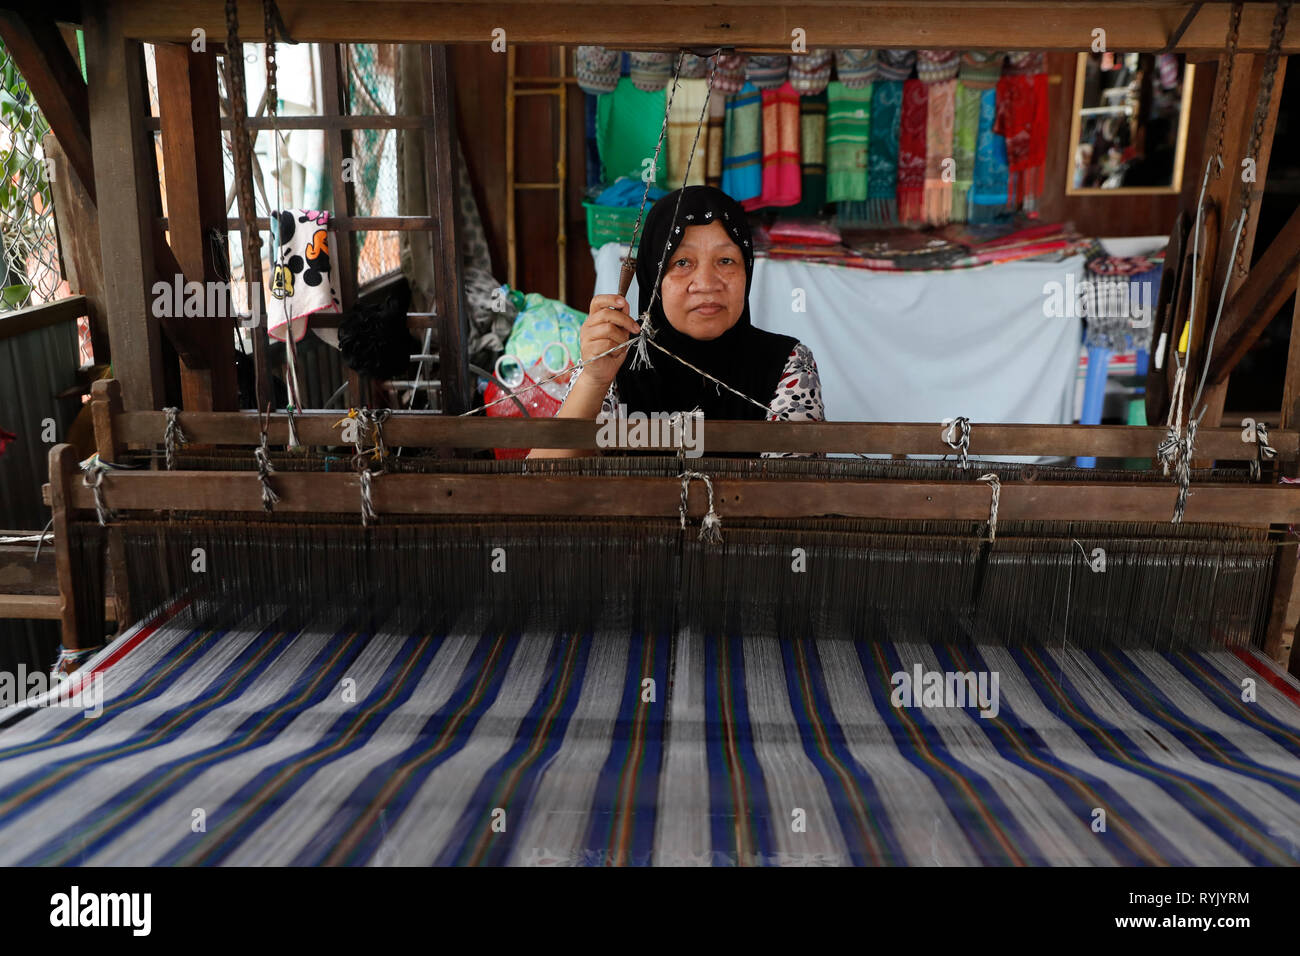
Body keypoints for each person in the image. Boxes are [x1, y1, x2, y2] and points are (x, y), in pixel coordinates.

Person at [528, 185, 825, 459]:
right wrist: (595, 379)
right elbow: (541, 486)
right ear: (652, 277)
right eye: (682, 263)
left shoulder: (787, 364)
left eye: (726, 261)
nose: (707, 283)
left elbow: (795, 495)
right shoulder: (615, 358)